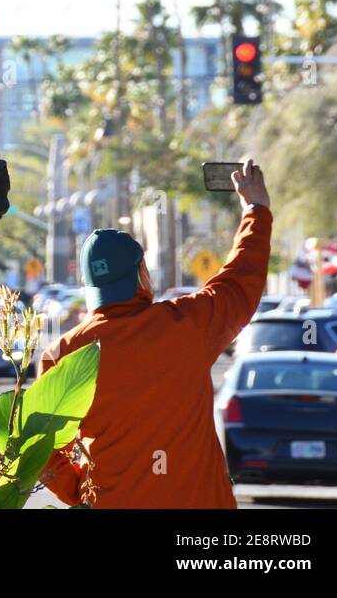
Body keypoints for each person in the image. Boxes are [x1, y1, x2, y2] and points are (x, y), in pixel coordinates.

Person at [38, 158, 272, 508]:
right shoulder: (186, 325)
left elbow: (40, 448)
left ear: (89, 287)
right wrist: (256, 209)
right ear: (142, 275)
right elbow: (241, 282)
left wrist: (78, 492)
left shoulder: (62, 354)